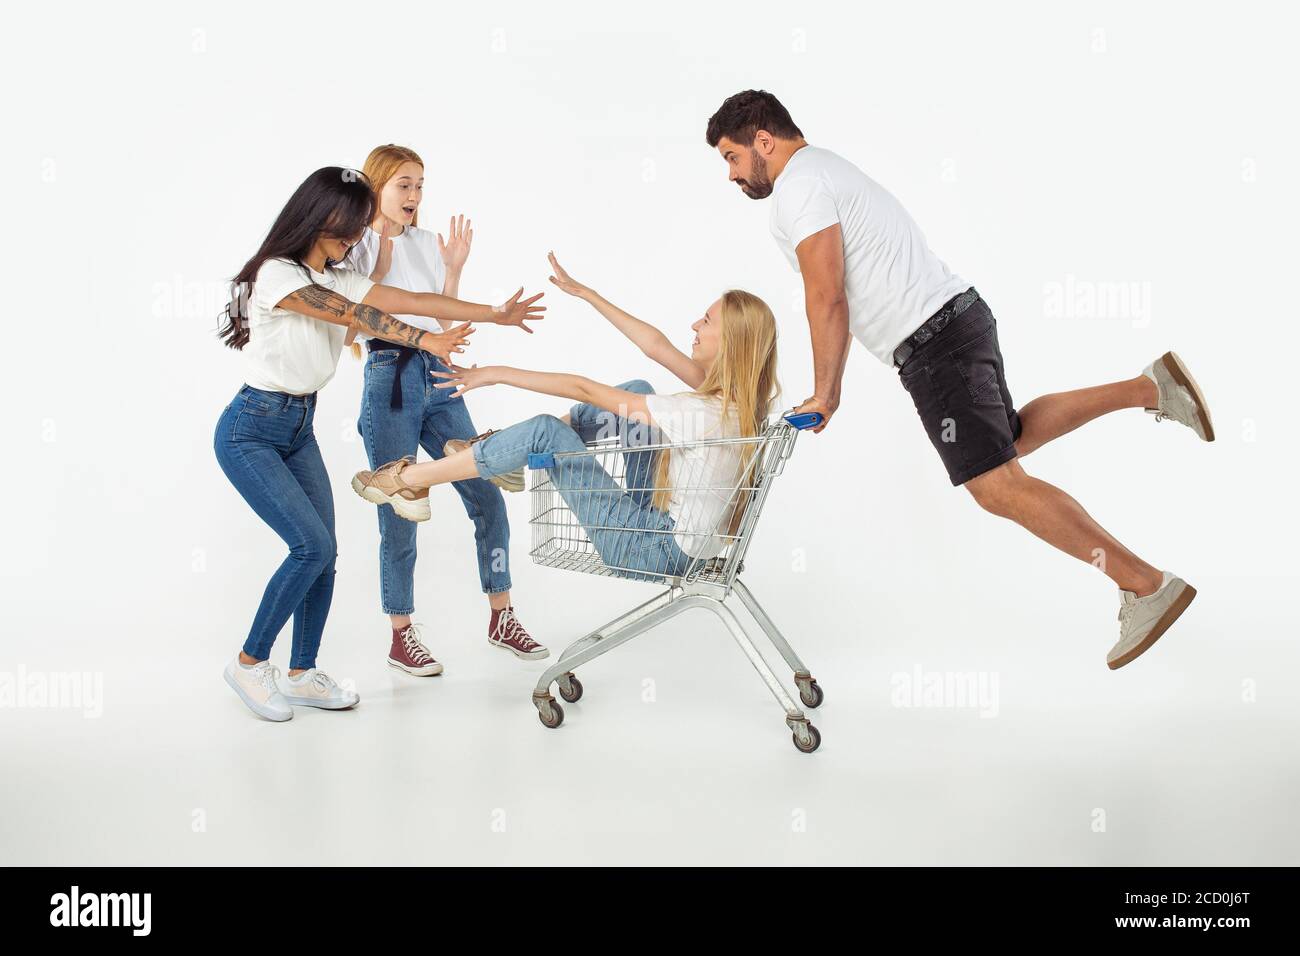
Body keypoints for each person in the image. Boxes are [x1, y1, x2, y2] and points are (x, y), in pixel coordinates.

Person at [705, 90, 1213, 670]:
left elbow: (827, 294)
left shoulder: (797, 189)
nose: (732, 174)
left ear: (763, 141)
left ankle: (1146, 585)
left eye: (731, 157)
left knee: (995, 486)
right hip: (959, 317)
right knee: (1009, 441)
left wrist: (827, 392)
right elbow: (834, 291)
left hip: (933, 345)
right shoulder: (826, 170)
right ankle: (1151, 388)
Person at [214, 166, 543, 722]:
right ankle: (249, 663)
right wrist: (423, 338)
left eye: (357, 228)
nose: (352, 239)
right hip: (252, 429)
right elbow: (354, 315)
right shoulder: (276, 274)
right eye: (345, 228)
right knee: (310, 548)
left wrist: (495, 314)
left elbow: (410, 297)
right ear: (318, 219)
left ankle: (301, 673)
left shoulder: (339, 276)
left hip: (298, 428)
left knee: (326, 554)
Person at [350, 257, 779, 583]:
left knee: (542, 432)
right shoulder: (739, 404)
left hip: (650, 547)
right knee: (637, 387)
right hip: (670, 537)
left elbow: (584, 389)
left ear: (733, 342)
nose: (694, 325)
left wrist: (496, 373)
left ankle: (413, 479)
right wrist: (586, 293)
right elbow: (656, 345)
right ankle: (503, 453)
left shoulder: (703, 413)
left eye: (706, 321)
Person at [342, 144, 543, 670]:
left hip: (436, 373)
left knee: (486, 490)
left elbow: (436, 307)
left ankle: (502, 614)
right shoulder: (355, 244)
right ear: (376, 187)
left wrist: (452, 270)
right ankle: (400, 632)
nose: (414, 195)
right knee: (401, 507)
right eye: (403, 185)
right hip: (391, 376)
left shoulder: (428, 241)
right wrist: (381, 245)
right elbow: (364, 315)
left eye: (420, 185)